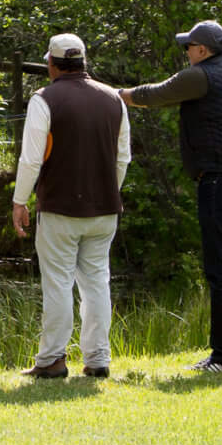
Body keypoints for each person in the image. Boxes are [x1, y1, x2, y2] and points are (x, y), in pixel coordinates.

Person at [119, 20, 222, 373]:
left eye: (189, 46)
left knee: (221, 270)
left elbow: (153, 95)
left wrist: (111, 94)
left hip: (221, 181)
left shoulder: (199, 75)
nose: (186, 51)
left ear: (202, 50)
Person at [11, 34, 131, 380]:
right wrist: (109, 190)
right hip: (105, 208)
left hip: (60, 208)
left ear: (51, 63)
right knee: (97, 282)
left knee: (59, 283)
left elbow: (31, 159)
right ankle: (97, 358)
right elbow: (123, 158)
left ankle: (52, 358)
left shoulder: (44, 98)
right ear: (83, 62)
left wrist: (20, 200)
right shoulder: (114, 100)